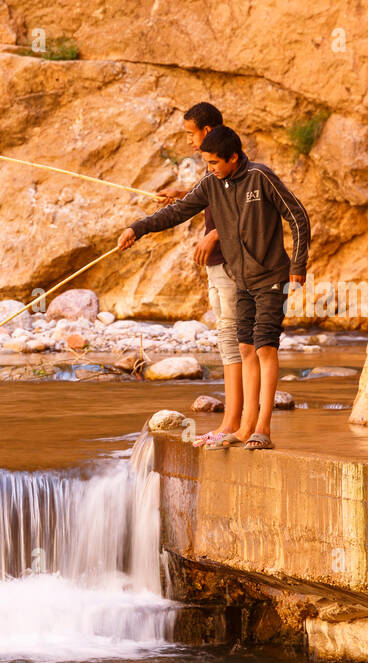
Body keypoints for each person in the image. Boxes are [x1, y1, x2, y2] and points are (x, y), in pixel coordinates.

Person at [118, 125, 309, 451]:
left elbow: (297, 215)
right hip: (241, 279)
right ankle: (245, 427)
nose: (209, 169)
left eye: (214, 163)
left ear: (234, 157)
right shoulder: (211, 184)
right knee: (246, 349)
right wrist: (138, 229)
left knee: (265, 347)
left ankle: (263, 427)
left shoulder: (260, 178)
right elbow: (177, 212)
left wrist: (298, 266)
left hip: (272, 275)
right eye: (206, 163)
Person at [156, 102, 242, 447]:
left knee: (235, 342)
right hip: (218, 265)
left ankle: (235, 422)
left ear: (206, 131)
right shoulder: (213, 170)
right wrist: (181, 196)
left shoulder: (231, 166)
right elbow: (211, 199)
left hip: (230, 264)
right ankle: (234, 420)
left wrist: (214, 233)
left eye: (191, 133)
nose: (190, 142)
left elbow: (244, 211)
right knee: (227, 341)